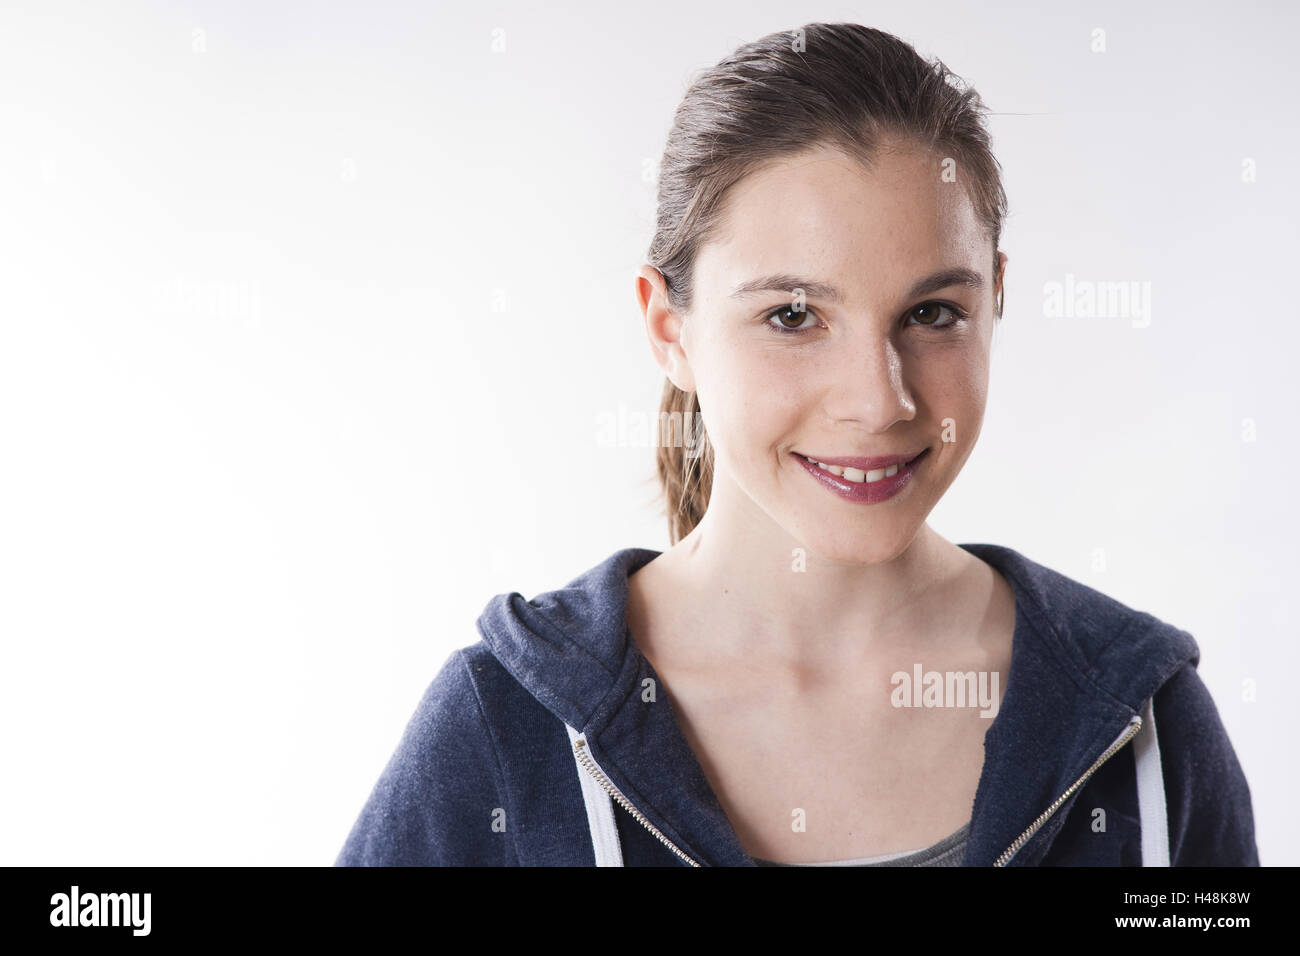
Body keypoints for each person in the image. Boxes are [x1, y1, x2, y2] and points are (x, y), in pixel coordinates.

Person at [335, 22, 1259, 867]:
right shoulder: (504, 731)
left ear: (997, 297)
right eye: (792, 315)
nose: (879, 400)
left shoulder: (1144, 731)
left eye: (933, 313)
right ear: (670, 329)